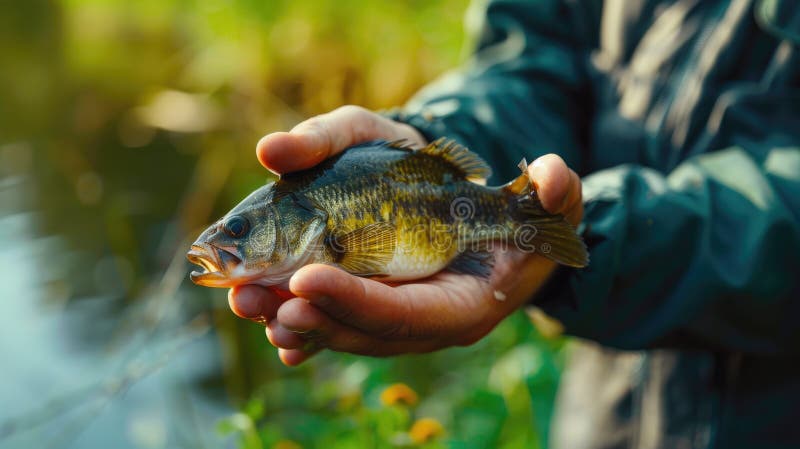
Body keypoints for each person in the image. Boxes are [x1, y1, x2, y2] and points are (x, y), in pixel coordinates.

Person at [229, 1, 800, 448]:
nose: (224, 245)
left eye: (238, 233)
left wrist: (599, 234)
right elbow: (529, 61)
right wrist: (441, 131)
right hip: (605, 418)